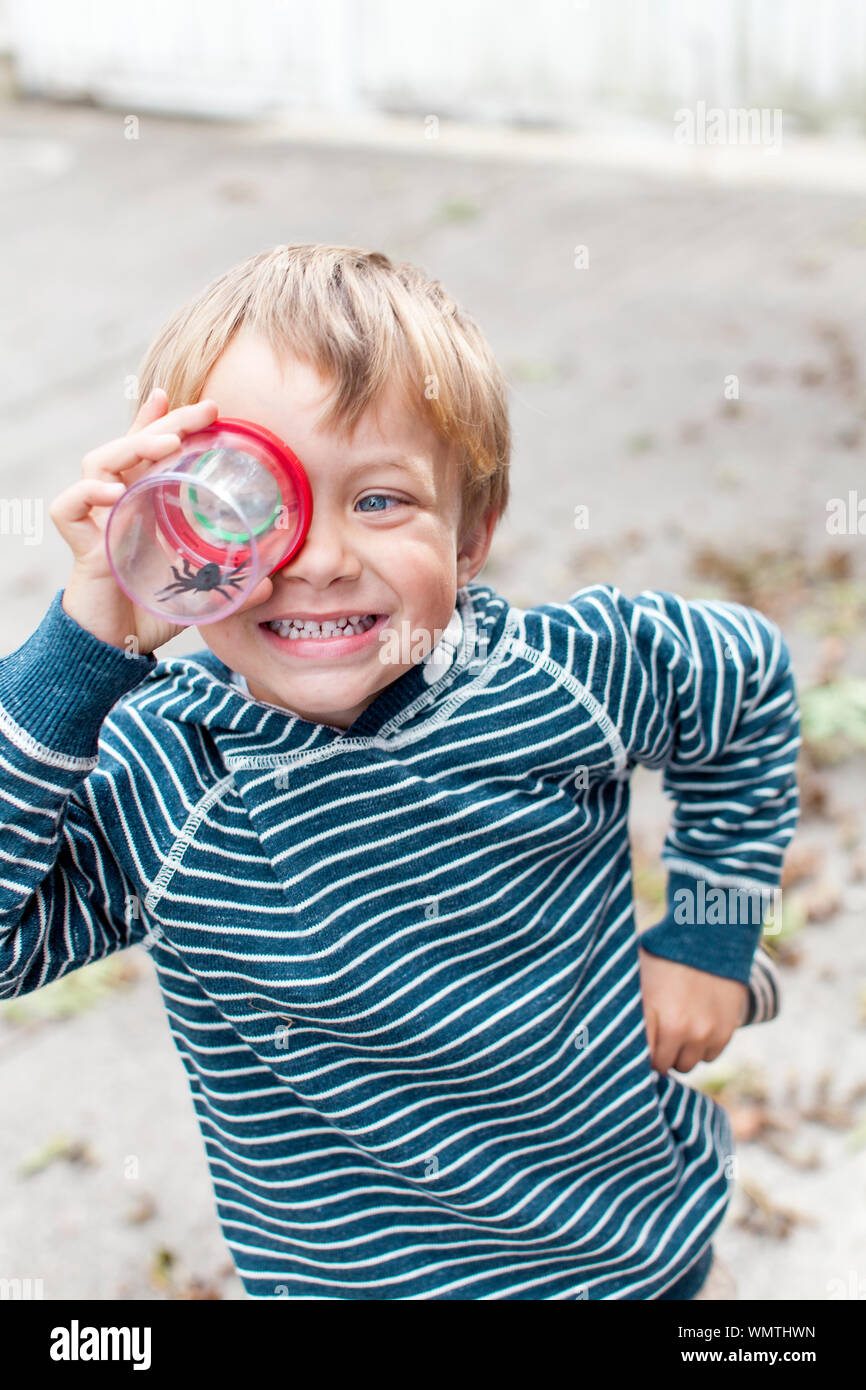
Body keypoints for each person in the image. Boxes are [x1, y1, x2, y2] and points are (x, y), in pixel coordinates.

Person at [0, 244, 799, 1300]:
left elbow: (743, 683)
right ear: (173, 524)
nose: (320, 557)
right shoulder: (170, 774)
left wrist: (707, 935)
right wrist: (77, 646)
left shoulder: (563, 679)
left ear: (471, 537)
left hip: (633, 1266)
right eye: (253, 501)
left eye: (379, 501)